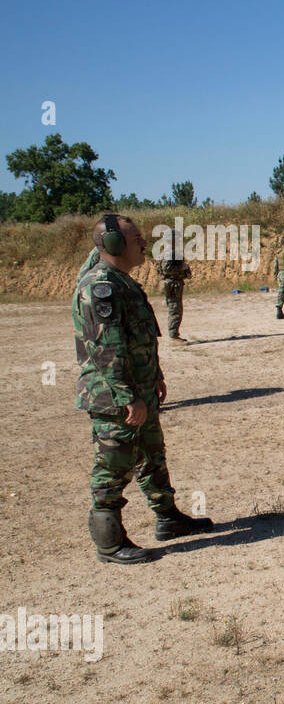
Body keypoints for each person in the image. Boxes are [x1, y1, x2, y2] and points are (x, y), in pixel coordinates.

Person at [73, 214, 214, 564]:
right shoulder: (100, 287)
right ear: (114, 244)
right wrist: (127, 397)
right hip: (116, 398)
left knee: (152, 456)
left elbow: (140, 340)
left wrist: (155, 376)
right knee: (114, 465)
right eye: (136, 238)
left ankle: (168, 518)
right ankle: (109, 543)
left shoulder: (122, 281)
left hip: (140, 391)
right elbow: (107, 350)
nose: (143, 243)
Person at [158, 225, 191, 343]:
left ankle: (174, 334)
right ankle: (173, 336)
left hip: (172, 285)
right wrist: (182, 267)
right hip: (173, 285)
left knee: (174, 308)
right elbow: (167, 269)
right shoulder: (170, 252)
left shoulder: (167, 252)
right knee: (175, 309)